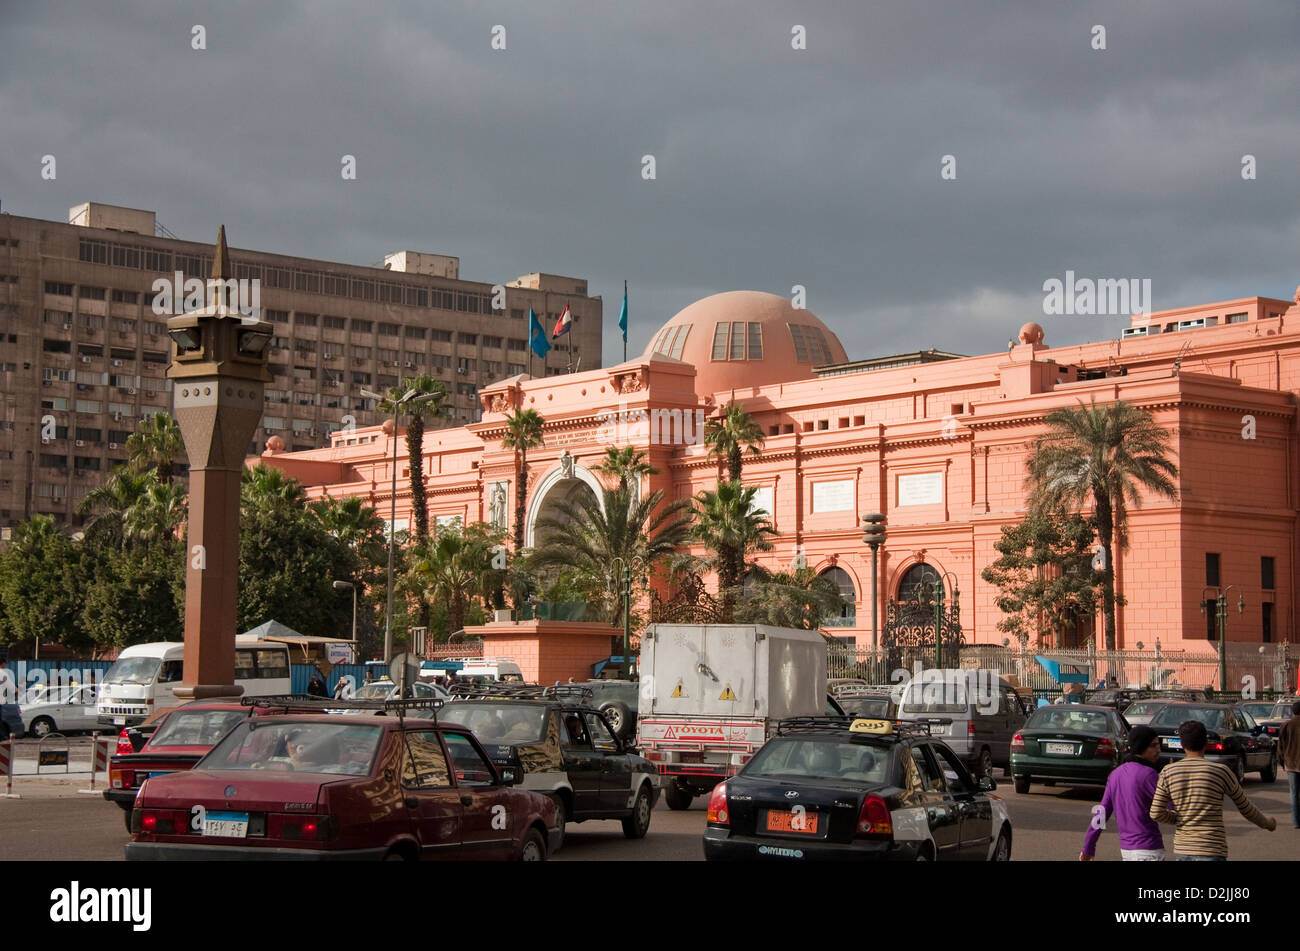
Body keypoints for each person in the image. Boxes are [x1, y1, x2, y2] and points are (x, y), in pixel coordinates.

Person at [1149, 719, 1276, 860]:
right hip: (1212, 849)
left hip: (1184, 849)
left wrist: (1180, 818)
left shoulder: (1168, 772)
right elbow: (1245, 808)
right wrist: (1267, 823)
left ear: (1182, 744)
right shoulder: (1220, 771)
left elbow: (1155, 813)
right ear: (1205, 742)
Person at [1080, 726, 1166, 861]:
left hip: (1127, 851)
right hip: (1148, 849)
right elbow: (1171, 807)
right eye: (1153, 745)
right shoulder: (1149, 775)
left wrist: (1088, 846)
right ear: (1141, 747)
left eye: (1158, 744)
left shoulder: (1115, 774)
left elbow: (1101, 812)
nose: (1158, 749)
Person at [1275, 699, 1300, 829]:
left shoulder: (1286, 725)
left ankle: (1296, 821)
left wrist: (1281, 762)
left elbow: (1281, 747)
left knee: (1294, 793)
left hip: (1291, 763)